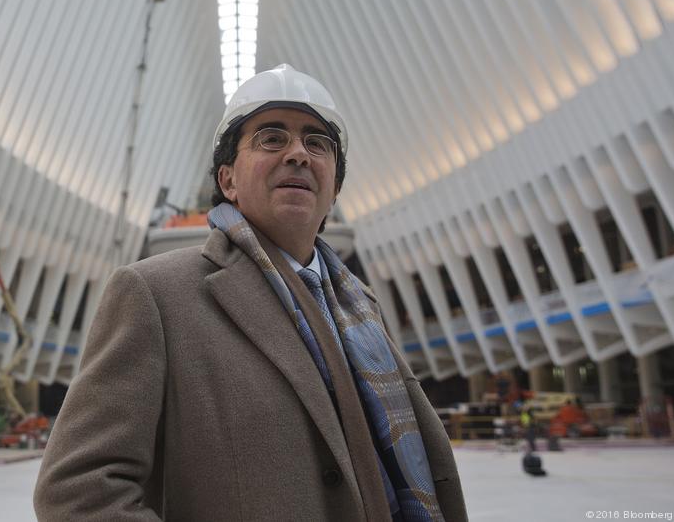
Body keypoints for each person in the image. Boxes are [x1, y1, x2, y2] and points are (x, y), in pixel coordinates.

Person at [35, 65, 467, 521]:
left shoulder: (360, 308)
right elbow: (77, 491)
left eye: (317, 143)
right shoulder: (157, 296)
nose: (298, 153)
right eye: (271, 138)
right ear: (228, 182)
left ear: (334, 188)